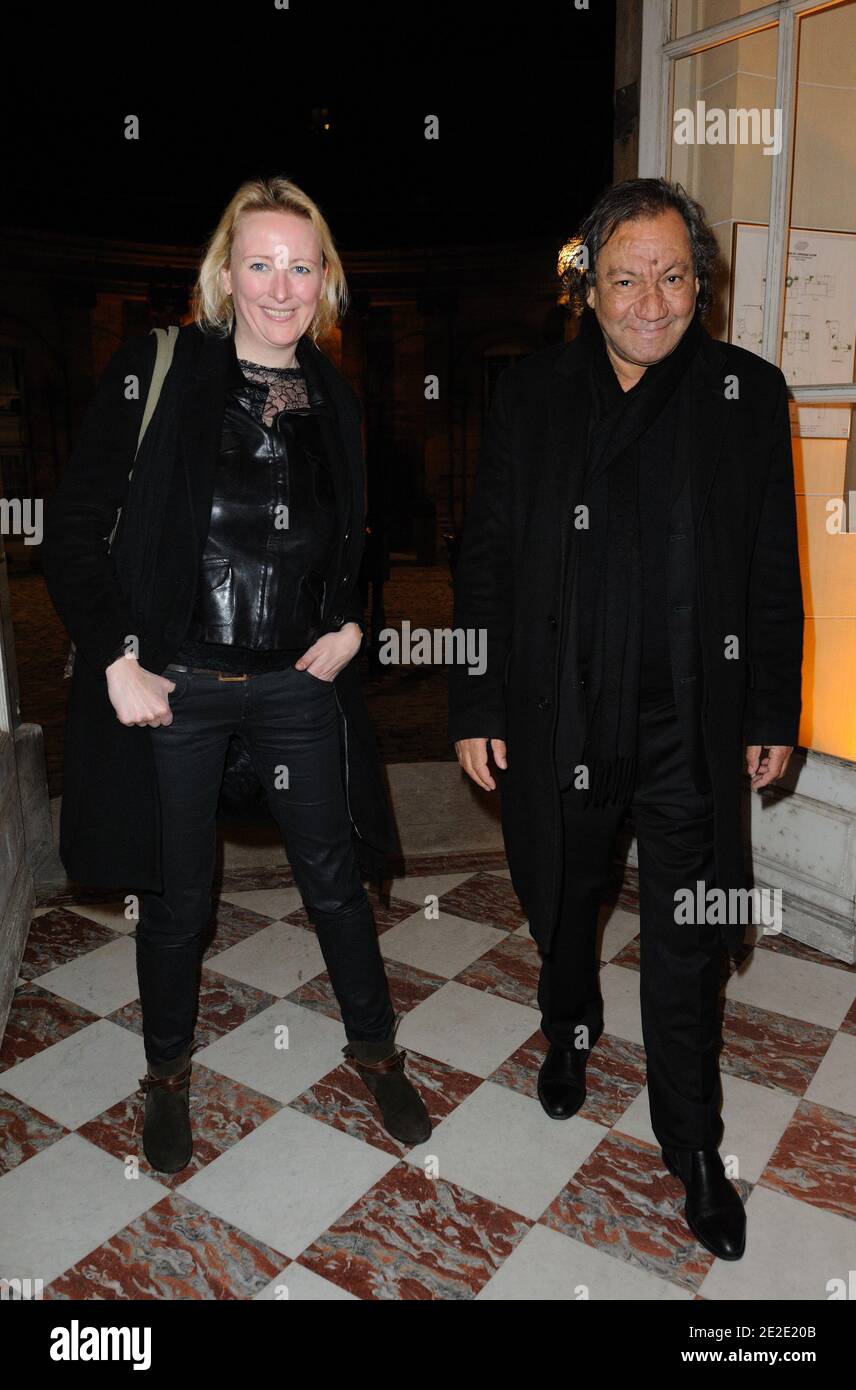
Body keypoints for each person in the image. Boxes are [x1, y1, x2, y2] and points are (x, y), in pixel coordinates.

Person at [42, 176, 431, 1173]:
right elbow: (75, 532)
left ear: (326, 280)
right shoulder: (159, 369)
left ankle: (375, 1049)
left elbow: (353, 542)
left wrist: (351, 624)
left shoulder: (337, 398)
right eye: (259, 262)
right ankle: (165, 1077)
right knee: (178, 899)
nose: (280, 284)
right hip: (178, 684)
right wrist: (119, 660)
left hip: (299, 684)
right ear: (224, 273)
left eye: (301, 266)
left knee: (336, 883)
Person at [448, 177, 804, 1262]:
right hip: (565, 711)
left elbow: (768, 568)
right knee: (561, 890)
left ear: (699, 283)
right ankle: (567, 1025)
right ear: (584, 288)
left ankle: (691, 1142)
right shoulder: (531, 397)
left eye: (671, 277)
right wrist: (474, 693)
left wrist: (770, 706)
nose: (649, 301)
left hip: (691, 721)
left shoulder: (747, 391)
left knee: (687, 934)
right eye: (623, 278)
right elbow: (488, 557)